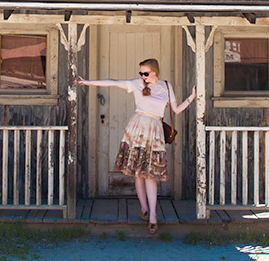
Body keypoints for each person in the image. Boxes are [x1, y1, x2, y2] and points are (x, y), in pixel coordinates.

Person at [79, 58, 196, 234]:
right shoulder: (137, 84)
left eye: (146, 73)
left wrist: (192, 97)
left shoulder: (166, 86)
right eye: (141, 73)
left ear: (155, 72)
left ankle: (153, 215)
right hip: (138, 128)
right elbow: (112, 82)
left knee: (150, 174)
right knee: (137, 171)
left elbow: (176, 110)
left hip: (155, 131)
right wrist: (87, 82)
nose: (142, 76)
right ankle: (144, 209)